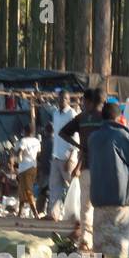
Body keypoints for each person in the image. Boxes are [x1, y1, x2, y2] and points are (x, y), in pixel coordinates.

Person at [87, 101, 129, 258]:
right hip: (119, 195)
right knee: (121, 241)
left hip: (98, 195)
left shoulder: (93, 137)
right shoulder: (120, 135)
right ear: (119, 117)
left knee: (101, 240)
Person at [58, 87, 106, 247]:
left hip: (86, 166)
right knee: (101, 205)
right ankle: (99, 238)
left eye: (84, 101)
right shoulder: (105, 118)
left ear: (89, 101)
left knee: (86, 206)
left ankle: (86, 238)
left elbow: (62, 133)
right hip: (102, 169)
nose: (83, 104)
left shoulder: (82, 118)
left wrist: (79, 145)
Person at [48, 90, 78, 219]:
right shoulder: (55, 114)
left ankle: (76, 213)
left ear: (68, 100)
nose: (62, 101)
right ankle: (54, 214)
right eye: (60, 98)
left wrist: (71, 157)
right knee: (54, 186)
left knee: (73, 186)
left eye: (65, 99)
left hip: (67, 157)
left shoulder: (72, 114)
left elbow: (76, 137)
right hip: (56, 155)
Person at [14, 124, 41, 218]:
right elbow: (38, 154)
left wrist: (17, 154)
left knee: (28, 191)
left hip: (25, 168)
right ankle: (19, 213)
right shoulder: (37, 141)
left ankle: (35, 213)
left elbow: (19, 152)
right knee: (22, 189)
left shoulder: (23, 141)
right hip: (33, 167)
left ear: (24, 131)